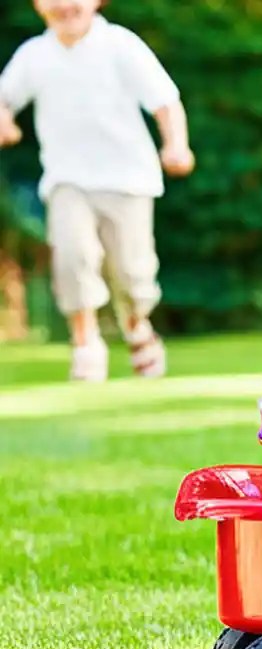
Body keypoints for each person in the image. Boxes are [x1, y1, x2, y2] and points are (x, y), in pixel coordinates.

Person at [0, 0, 194, 382]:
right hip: (67, 179)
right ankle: (85, 340)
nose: (64, 5)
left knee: (132, 271)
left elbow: (164, 100)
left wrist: (176, 144)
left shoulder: (120, 45)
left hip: (129, 179)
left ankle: (138, 324)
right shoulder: (34, 55)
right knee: (72, 256)